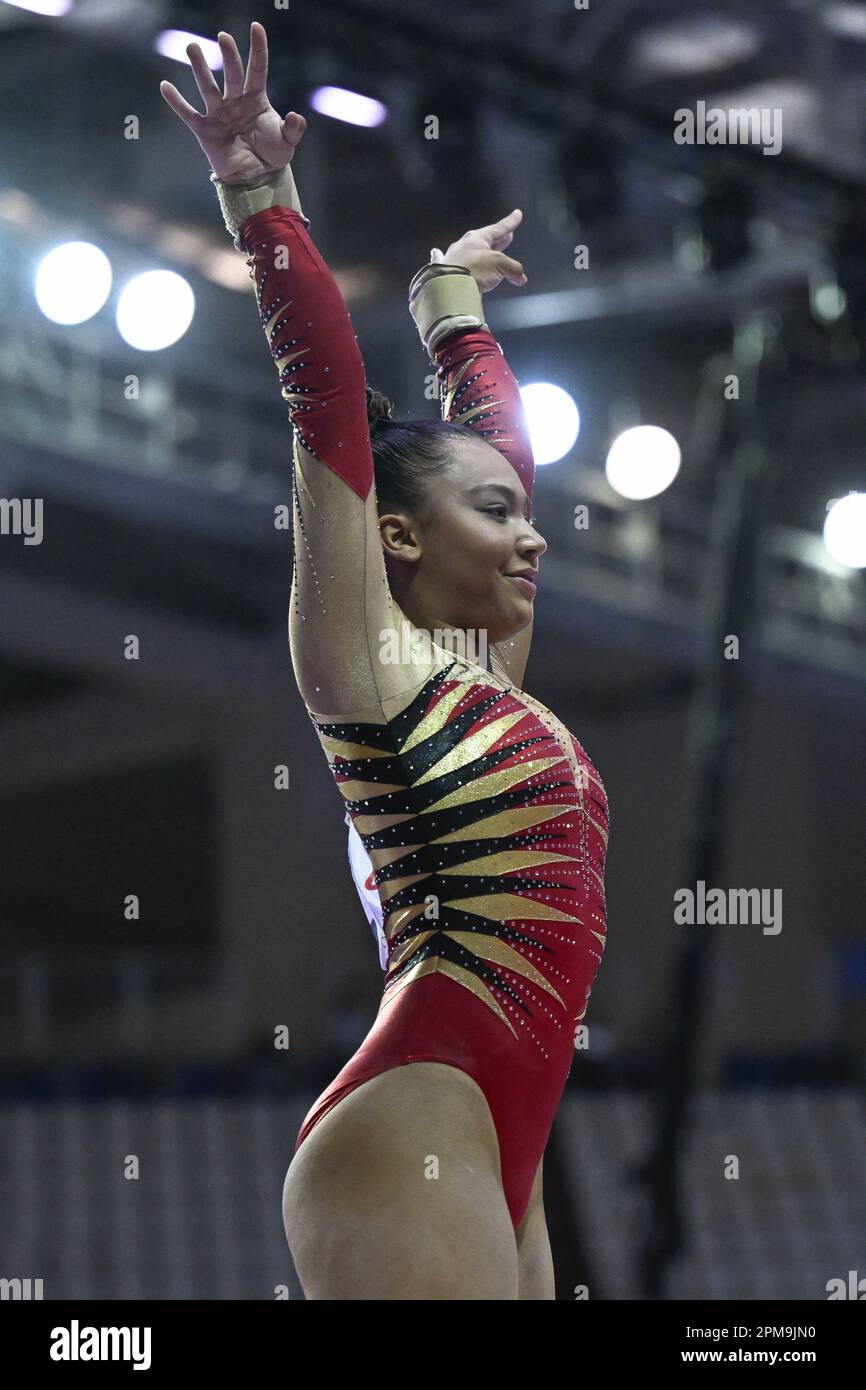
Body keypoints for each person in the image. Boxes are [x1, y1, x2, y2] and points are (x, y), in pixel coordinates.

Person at [161, 21, 609, 1301]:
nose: (529, 532)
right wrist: (258, 191)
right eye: (494, 514)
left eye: (522, 513)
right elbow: (327, 402)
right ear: (397, 532)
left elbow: (496, 454)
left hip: (496, 1136)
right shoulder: (365, 663)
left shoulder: (487, 679)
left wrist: (451, 307)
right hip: (413, 1115)